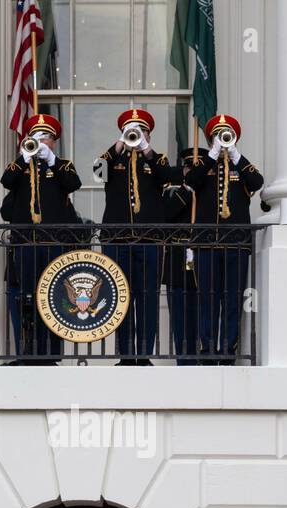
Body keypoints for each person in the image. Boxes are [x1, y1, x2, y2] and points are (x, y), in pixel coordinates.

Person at [96, 108, 178, 363]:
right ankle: (125, 354)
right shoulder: (114, 160)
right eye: (132, 131)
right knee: (121, 297)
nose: (136, 135)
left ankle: (143, 353)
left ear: (149, 136)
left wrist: (146, 151)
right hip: (117, 240)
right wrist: (119, 143)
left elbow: (168, 177)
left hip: (149, 240)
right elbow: (97, 172)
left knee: (148, 296)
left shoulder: (156, 160)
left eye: (142, 132)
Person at [183, 114, 264, 364]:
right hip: (207, 243)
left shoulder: (241, 167)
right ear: (212, 139)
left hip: (236, 244)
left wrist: (236, 155)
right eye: (218, 136)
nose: (223, 139)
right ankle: (207, 350)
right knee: (208, 298)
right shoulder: (205, 166)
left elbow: (257, 181)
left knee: (231, 299)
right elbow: (191, 180)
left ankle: (228, 350)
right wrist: (212, 154)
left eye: (226, 135)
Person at [1, 113, 81, 364]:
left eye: (46, 137)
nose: (42, 142)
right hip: (25, 242)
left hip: (53, 243)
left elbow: (73, 183)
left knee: (52, 297)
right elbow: (7, 180)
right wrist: (25, 158)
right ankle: (27, 352)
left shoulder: (62, 165)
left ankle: (50, 353)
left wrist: (52, 161)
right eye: (37, 137)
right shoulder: (21, 165)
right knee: (26, 297)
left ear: (54, 142)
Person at [162, 149, 200, 364]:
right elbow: (167, 214)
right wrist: (187, 191)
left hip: (201, 259)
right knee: (180, 317)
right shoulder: (174, 192)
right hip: (177, 262)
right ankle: (184, 360)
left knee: (203, 314)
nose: (190, 172)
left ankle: (203, 356)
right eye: (188, 168)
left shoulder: (206, 192)